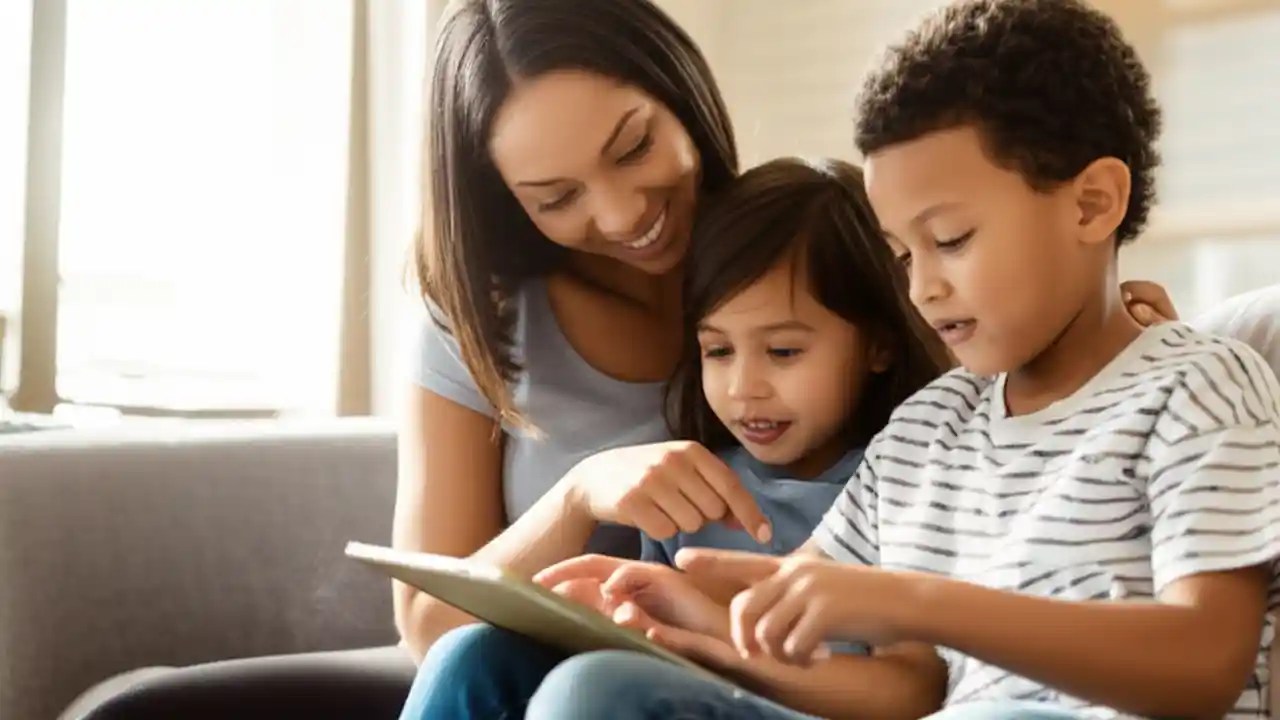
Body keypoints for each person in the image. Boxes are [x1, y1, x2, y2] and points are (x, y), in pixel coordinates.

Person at [71, 0, 1208, 716]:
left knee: (593, 692)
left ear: (677, 92)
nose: (621, 215)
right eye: (556, 196)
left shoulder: (793, 243)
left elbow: (993, 311)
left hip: (685, 675)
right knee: (133, 708)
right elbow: (433, 632)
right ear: (500, 201)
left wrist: (1110, 330)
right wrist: (579, 493)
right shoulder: (484, 313)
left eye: (633, 150)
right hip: (501, 658)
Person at [514, 1, 1280, 718]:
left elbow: (1207, 660)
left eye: (951, 241)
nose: (924, 288)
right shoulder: (926, 430)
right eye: (903, 255)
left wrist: (916, 600)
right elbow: (905, 677)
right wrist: (690, 620)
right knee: (548, 675)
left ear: (1091, 204)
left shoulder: (1200, 386)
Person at [398, 156, 952, 718]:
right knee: (470, 652)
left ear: (879, 345)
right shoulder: (695, 489)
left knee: (594, 689)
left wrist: (715, 643)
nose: (743, 388)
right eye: (718, 351)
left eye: (784, 351)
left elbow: (911, 689)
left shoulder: (902, 481)